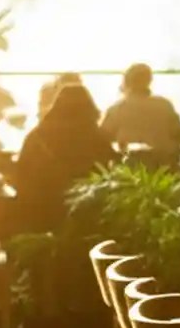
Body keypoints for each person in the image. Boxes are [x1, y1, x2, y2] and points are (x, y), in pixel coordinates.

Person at [13, 83, 115, 232]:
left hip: (43, 206)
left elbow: (22, 170)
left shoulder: (38, 135)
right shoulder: (97, 137)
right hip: (86, 207)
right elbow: (110, 170)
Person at [100, 64, 180, 163]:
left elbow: (104, 138)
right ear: (149, 80)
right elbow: (178, 133)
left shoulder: (117, 109)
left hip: (130, 167)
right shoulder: (165, 105)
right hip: (164, 165)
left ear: (126, 82)